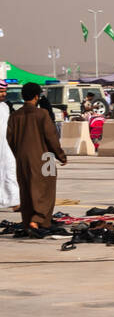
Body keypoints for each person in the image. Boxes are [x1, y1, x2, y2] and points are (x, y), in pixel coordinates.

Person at [5, 82, 68, 232]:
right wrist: (61, 156)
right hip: (44, 159)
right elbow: (51, 137)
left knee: (26, 190)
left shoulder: (15, 116)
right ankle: (38, 219)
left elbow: (10, 139)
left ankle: (28, 222)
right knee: (46, 189)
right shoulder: (42, 114)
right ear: (36, 96)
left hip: (22, 160)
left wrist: (20, 154)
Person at [0, 80, 19, 210]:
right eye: (1, 91)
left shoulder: (5, 107)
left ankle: (14, 202)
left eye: (5, 91)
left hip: (6, 146)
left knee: (10, 171)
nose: (3, 94)